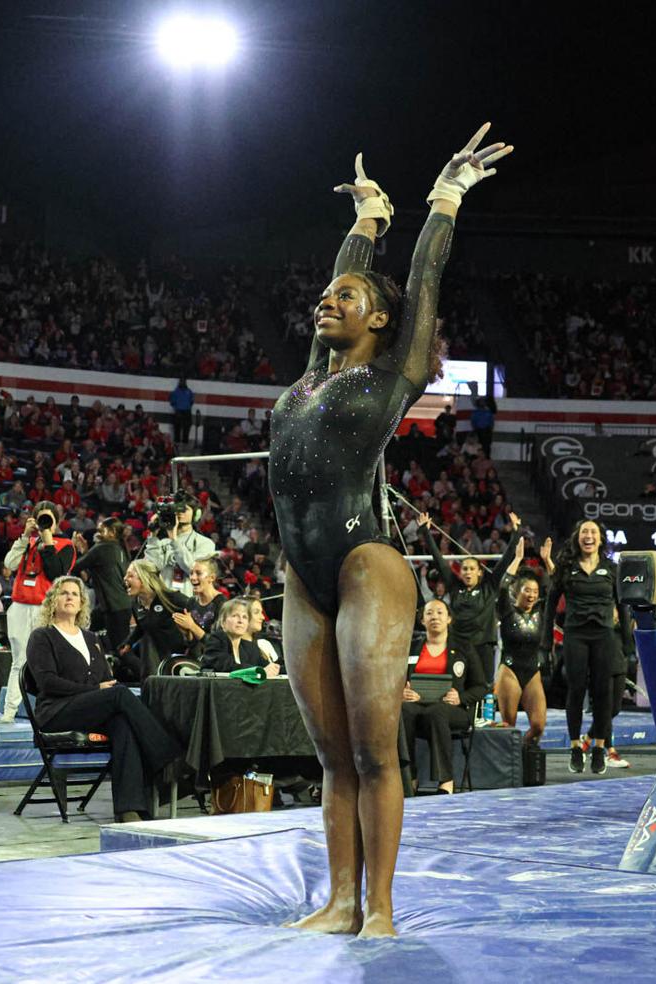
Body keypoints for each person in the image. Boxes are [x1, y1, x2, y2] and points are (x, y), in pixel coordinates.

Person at [269, 127, 510, 937]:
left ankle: (381, 906)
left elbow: (423, 275)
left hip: (367, 565)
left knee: (375, 753)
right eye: (326, 295)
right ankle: (339, 900)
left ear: (380, 320)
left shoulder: (392, 372)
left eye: (346, 297)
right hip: (302, 573)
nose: (327, 301)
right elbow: (347, 278)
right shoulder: (309, 379)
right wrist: (369, 215)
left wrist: (445, 198)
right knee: (333, 758)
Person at [23, 576, 180, 823]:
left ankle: (128, 809)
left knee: (123, 725)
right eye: (64, 593)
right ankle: (167, 755)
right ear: (53, 600)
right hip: (56, 712)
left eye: (75, 594)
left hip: (89, 710)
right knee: (118, 694)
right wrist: (94, 688)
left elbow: (107, 678)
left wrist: (99, 688)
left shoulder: (90, 638)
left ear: (82, 602)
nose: (69, 597)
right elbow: (47, 683)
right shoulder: (42, 636)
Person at [541, 519, 620, 775]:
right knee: (576, 690)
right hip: (575, 635)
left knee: (603, 693)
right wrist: (545, 641)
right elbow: (551, 604)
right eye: (584, 531)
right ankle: (575, 747)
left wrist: (629, 643)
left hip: (604, 635)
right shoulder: (566, 567)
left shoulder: (611, 568)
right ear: (577, 538)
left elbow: (624, 606)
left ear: (600, 539)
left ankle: (599, 748)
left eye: (593, 532)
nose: (588, 536)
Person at [420, 510, 521, 686]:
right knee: (458, 687)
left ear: (480, 572)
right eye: (464, 569)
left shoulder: (489, 586)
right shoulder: (454, 586)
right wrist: (425, 532)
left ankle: (484, 715)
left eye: (472, 569)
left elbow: (505, 559)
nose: (467, 572)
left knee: (484, 688)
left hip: (484, 647)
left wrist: (516, 532)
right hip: (459, 646)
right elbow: (439, 560)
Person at [0, 500, 76, 722]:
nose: (44, 524)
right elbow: (10, 564)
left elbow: (56, 574)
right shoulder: (27, 542)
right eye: (40, 518)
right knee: (18, 660)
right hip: (20, 606)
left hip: (45, 607)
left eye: (47, 519)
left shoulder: (65, 545)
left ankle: (52, 712)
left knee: (47, 662)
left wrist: (48, 542)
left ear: (56, 521)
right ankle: (9, 712)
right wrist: (24, 537)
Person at [401, 599, 486, 795]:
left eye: (440, 612)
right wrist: (402, 693)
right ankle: (409, 779)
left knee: (437, 711)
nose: (435, 617)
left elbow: (481, 686)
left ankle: (445, 781)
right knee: (403, 711)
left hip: (453, 711)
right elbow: (396, 681)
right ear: (422, 620)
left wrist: (461, 697)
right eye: (429, 613)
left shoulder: (463, 648)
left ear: (449, 619)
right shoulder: (411, 647)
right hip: (417, 709)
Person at [493, 539, 547, 745]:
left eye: (535, 591)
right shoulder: (508, 610)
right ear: (518, 592)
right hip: (510, 671)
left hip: (533, 670)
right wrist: (516, 559)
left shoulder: (540, 611)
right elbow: (502, 585)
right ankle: (512, 765)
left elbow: (554, 585)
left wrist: (547, 560)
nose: (532, 595)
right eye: (527, 590)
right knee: (509, 724)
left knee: (538, 725)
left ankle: (523, 750)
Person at [116, 559, 189, 679]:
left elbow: (194, 610)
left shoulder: (170, 598)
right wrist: (129, 642)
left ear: (145, 578)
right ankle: (149, 683)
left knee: (147, 640)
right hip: (153, 656)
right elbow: (142, 626)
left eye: (130, 575)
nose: (125, 578)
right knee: (124, 652)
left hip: (175, 655)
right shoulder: (136, 603)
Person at [142, 493, 216, 600]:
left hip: (189, 602)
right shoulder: (162, 542)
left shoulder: (205, 543)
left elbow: (192, 569)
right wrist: (153, 536)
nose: (180, 513)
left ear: (196, 515)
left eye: (184, 509)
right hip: (162, 600)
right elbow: (151, 568)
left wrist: (174, 539)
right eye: (176, 509)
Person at [72, 517, 131, 650]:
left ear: (112, 532)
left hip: (114, 609)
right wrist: (86, 552)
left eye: (100, 530)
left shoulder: (102, 548)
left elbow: (74, 567)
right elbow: (100, 571)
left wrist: (73, 548)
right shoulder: (119, 547)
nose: (96, 533)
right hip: (120, 606)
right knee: (85, 630)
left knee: (121, 651)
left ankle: (139, 670)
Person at [200, 598, 278, 675]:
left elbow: (266, 666)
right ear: (223, 622)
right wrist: (257, 671)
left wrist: (275, 668)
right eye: (235, 616)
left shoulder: (250, 647)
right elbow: (225, 665)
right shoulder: (216, 639)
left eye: (244, 617)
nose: (240, 621)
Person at [174, 557, 226, 653]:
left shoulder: (222, 604)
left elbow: (218, 644)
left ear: (212, 578)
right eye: (191, 573)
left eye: (198, 573)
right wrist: (187, 633)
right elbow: (191, 643)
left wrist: (192, 626)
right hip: (195, 657)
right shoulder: (191, 602)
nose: (193, 578)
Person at [244, 596, 281, 667]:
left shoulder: (264, 644)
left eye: (261, 612)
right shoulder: (232, 648)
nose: (262, 617)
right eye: (256, 612)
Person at [169, 377, 195, 446]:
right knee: (178, 427)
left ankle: (183, 441)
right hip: (181, 411)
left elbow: (172, 402)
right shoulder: (179, 392)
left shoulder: (186, 391)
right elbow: (191, 401)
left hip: (184, 411)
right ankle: (180, 441)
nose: (183, 383)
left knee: (184, 427)